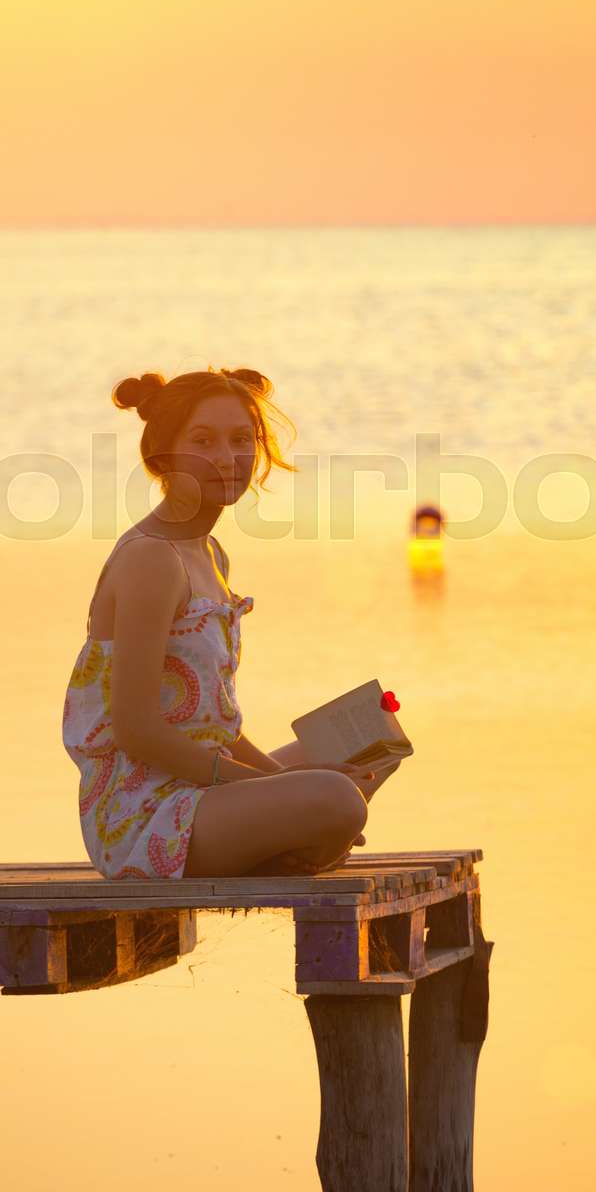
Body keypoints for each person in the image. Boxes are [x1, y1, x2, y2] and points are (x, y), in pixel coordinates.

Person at [62, 365, 381, 881]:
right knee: (336, 798)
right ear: (163, 453)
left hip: (205, 792)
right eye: (203, 441)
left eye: (241, 440)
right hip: (145, 818)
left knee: (367, 735)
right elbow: (138, 731)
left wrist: (283, 781)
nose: (227, 458)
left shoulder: (209, 554)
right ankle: (295, 841)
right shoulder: (151, 560)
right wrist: (275, 789)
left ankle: (288, 844)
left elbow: (216, 729)